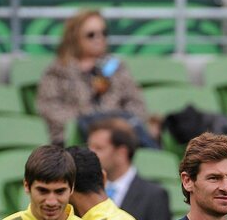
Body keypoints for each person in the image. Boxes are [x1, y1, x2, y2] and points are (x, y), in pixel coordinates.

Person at [37, 10, 149, 147]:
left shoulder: (117, 67)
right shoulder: (58, 70)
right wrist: (87, 121)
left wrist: (117, 125)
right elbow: (49, 108)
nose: (99, 38)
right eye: (91, 35)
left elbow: (137, 104)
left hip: (118, 135)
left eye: (104, 33)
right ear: (75, 37)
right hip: (77, 136)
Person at [87, 118, 171, 220]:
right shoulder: (86, 190)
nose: (89, 153)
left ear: (121, 153)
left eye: (98, 148)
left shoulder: (154, 195)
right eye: (89, 147)